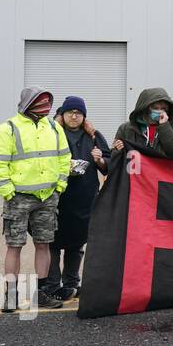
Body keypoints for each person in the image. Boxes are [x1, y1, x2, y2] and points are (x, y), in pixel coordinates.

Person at [0, 88, 69, 311]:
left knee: (44, 245)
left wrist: (60, 185)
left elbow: (64, 157)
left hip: (47, 197)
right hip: (18, 198)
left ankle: (41, 293)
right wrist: (7, 191)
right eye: (41, 103)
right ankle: (10, 296)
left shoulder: (53, 127)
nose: (46, 107)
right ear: (28, 104)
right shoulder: (8, 129)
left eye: (48, 103)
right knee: (14, 246)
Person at [42, 97, 110, 301]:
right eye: (70, 112)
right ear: (61, 114)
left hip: (85, 197)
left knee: (77, 242)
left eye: (78, 113)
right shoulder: (51, 133)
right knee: (52, 242)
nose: (74, 116)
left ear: (84, 116)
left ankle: (72, 283)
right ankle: (52, 285)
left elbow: (108, 163)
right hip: (57, 196)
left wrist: (100, 159)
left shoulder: (94, 135)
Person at [112, 89, 173, 159]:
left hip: (162, 172)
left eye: (163, 108)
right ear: (145, 109)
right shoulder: (126, 128)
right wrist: (116, 149)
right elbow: (113, 158)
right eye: (156, 108)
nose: (160, 111)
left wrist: (164, 126)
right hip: (136, 172)